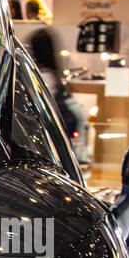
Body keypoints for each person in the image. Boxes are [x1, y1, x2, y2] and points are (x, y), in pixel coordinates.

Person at [30, 26, 90, 163]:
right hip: (63, 134)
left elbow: (40, 112)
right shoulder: (53, 76)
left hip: (50, 139)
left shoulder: (43, 78)